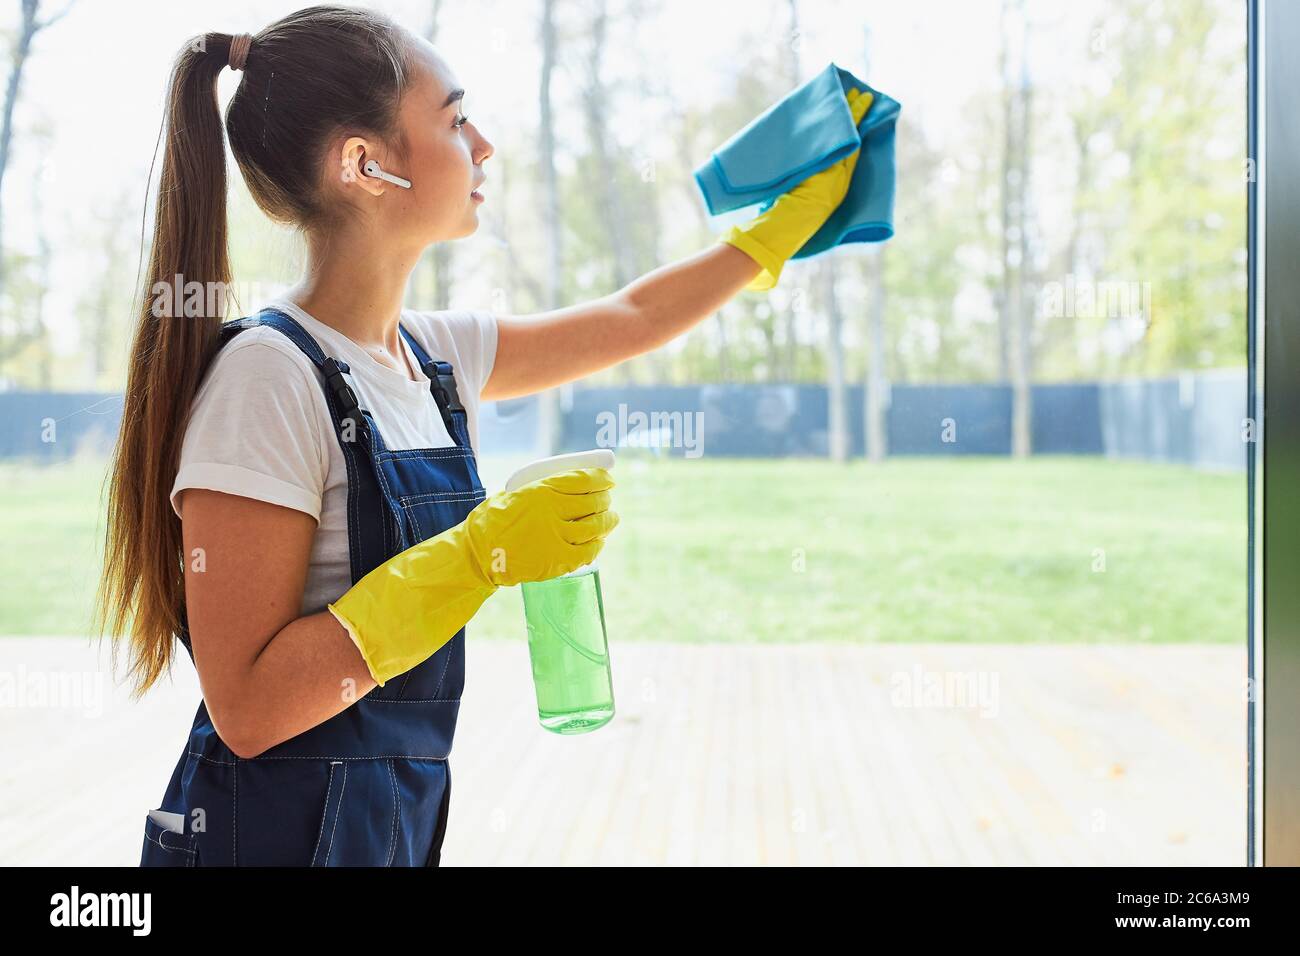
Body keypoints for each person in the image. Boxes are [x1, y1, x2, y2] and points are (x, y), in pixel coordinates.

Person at [98, 4, 871, 867]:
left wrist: (771, 236)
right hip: (266, 838)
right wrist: (476, 558)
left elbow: (632, 316)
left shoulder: (431, 357)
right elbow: (246, 710)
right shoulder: (268, 378)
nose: (485, 146)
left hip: (394, 824)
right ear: (365, 163)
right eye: (456, 119)